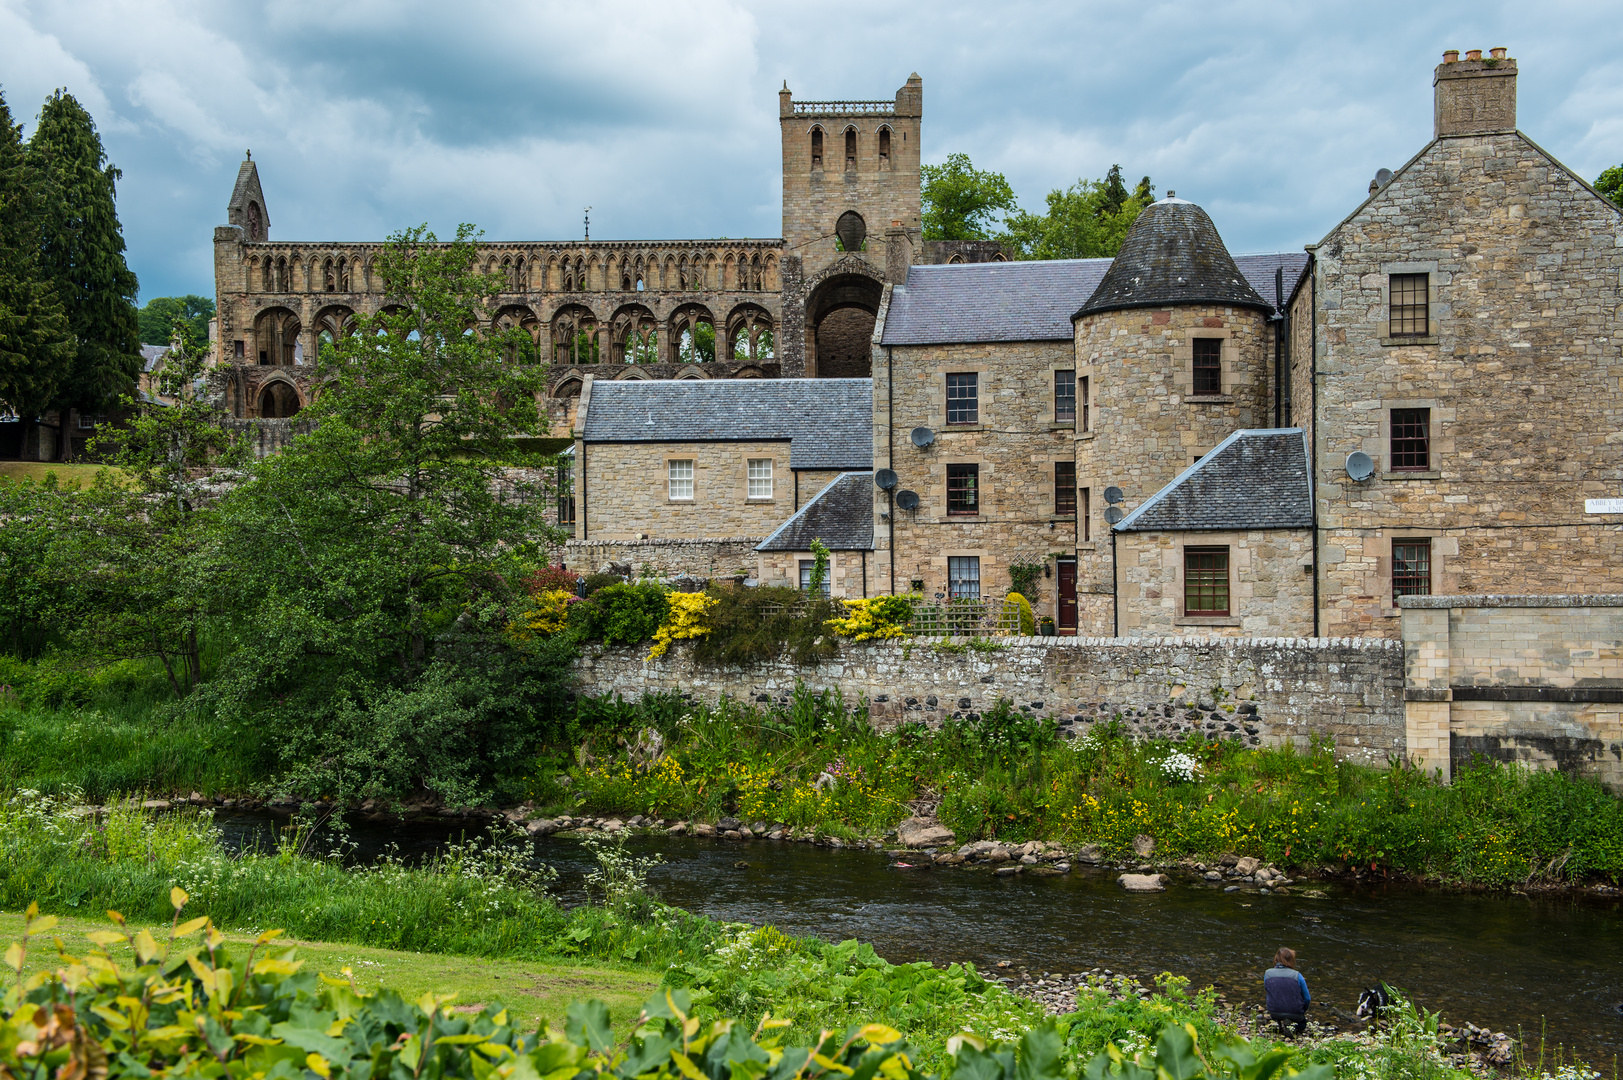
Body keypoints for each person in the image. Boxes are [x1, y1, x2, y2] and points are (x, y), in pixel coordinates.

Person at [1263, 947, 1311, 1035]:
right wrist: (1302, 1010)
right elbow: (1307, 998)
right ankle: (1292, 1026)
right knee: (1302, 1025)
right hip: (1295, 1013)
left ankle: (1279, 1023)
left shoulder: (1268, 973)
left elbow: (1269, 991)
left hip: (1274, 1012)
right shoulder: (1297, 975)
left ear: (1276, 959)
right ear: (1291, 960)